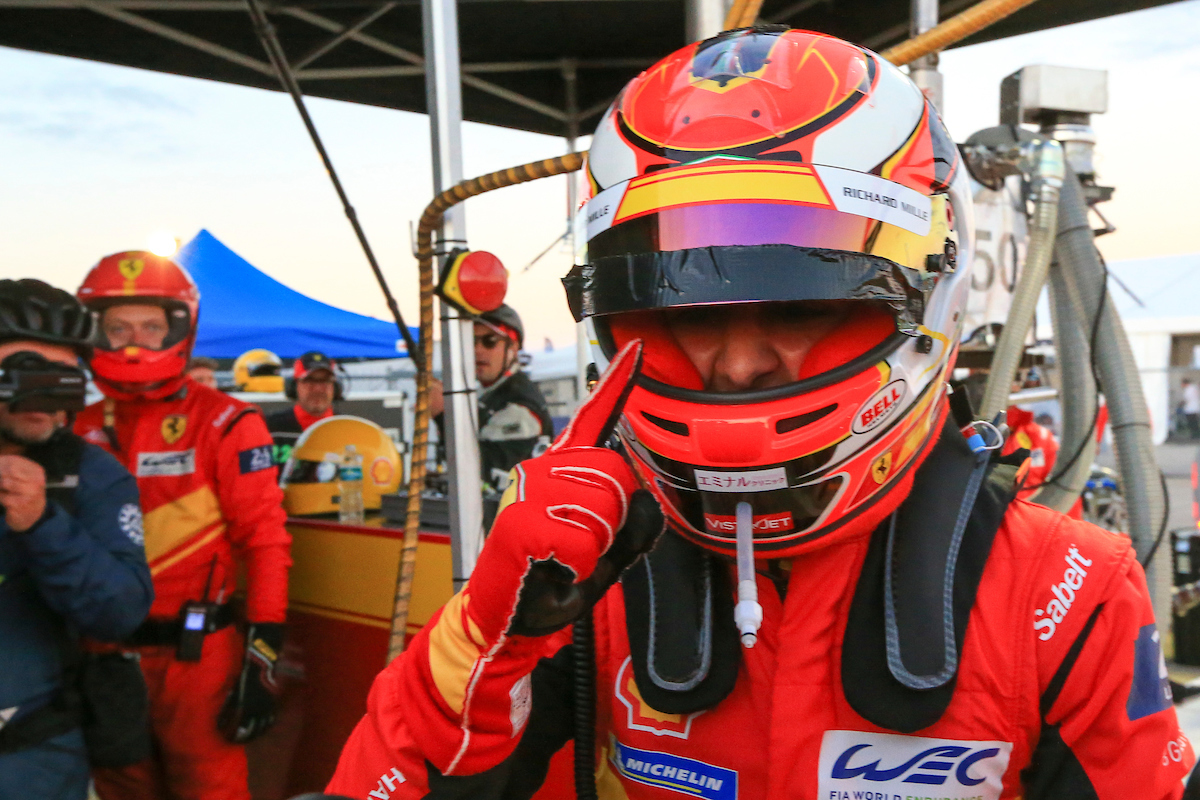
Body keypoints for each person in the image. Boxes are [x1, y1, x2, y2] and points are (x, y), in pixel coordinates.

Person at [326, 28, 1192, 799]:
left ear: (929, 294)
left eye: (805, 304)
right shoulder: (588, 564)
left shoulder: (1062, 588)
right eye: (684, 312)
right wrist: (488, 635)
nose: (739, 363)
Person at [73, 251, 292, 800]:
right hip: (101, 656)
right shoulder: (72, 427)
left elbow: (264, 541)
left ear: (178, 328)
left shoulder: (226, 422)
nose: (132, 343)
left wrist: (263, 654)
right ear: (94, 332)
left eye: (150, 327)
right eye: (117, 328)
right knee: (121, 789)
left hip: (198, 660)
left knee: (209, 791)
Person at [0, 279, 152, 800]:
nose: (44, 395)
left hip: (34, 761)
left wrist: (43, 524)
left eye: (63, 377)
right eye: (26, 371)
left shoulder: (92, 476)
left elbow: (122, 611)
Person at [428, 304, 554, 491]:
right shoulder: (487, 394)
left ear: (513, 347)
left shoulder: (519, 406)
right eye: (471, 341)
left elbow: (490, 477)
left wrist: (443, 415)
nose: (478, 350)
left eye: (490, 340)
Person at [265, 351, 341, 469]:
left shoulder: (349, 428)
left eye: (325, 381)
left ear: (335, 387)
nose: (318, 389)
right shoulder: (269, 429)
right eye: (309, 380)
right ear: (294, 387)